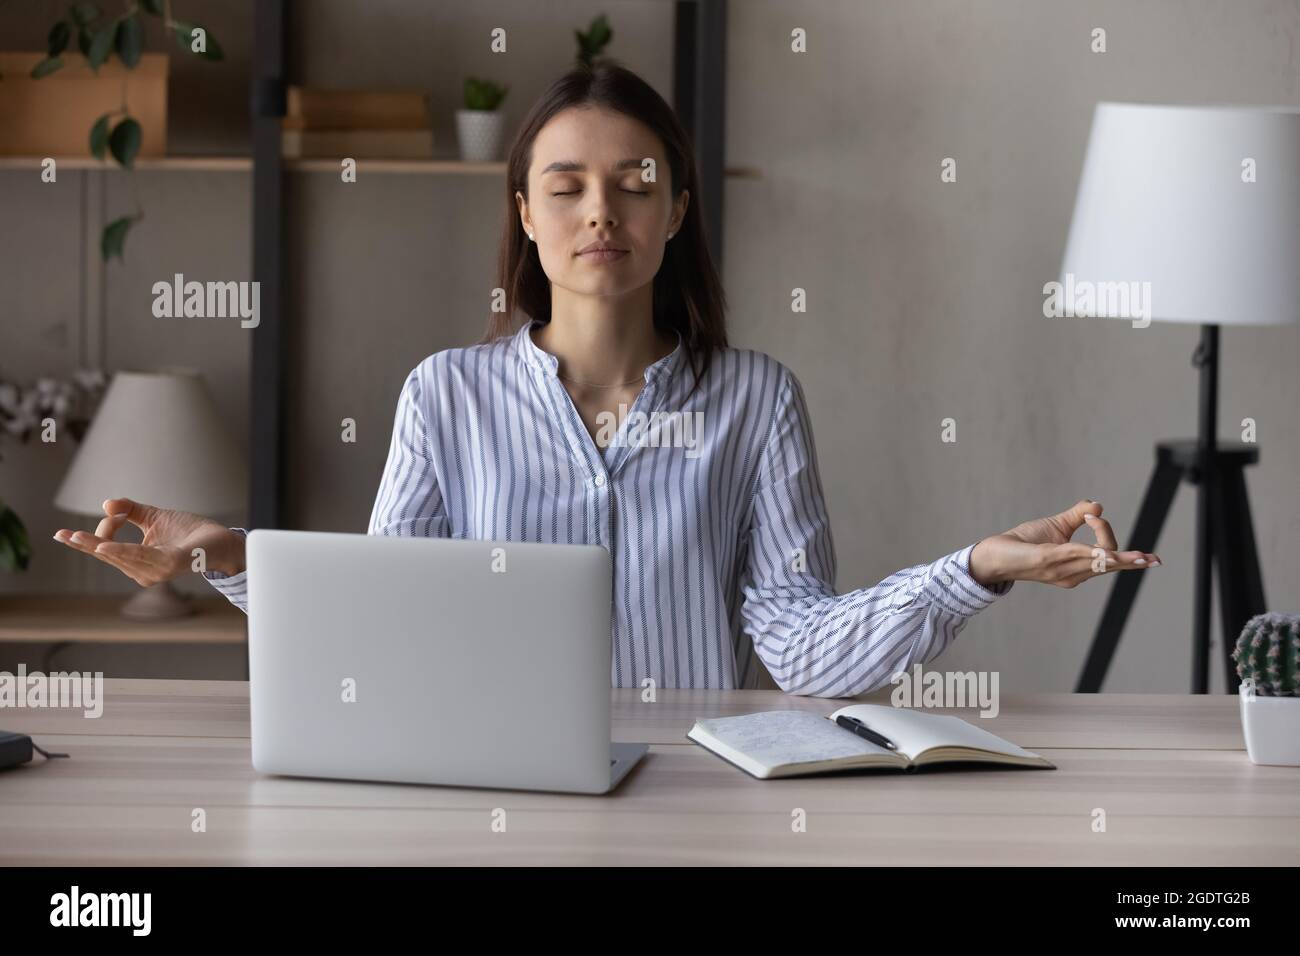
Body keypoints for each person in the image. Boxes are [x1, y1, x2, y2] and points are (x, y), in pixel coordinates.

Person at [52, 62, 1160, 697]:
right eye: (566, 186)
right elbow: (382, 627)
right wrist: (234, 557)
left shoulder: (756, 398)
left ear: (675, 210)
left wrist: (973, 568)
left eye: (633, 182)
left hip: (702, 799)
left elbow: (802, 648)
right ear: (526, 217)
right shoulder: (446, 393)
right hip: (493, 796)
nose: (600, 211)